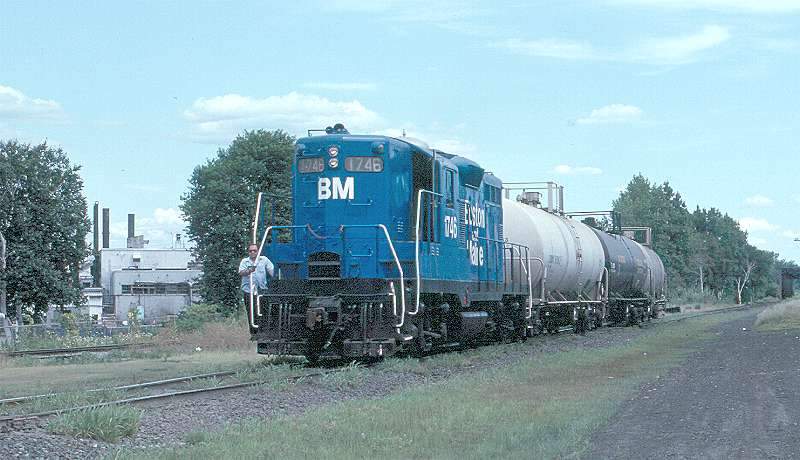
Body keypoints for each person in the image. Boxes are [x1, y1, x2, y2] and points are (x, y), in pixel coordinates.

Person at [239, 243, 274, 326]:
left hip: (262, 290)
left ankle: (263, 331)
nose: (252, 252)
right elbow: (241, 272)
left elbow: (272, 270)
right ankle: (254, 332)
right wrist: (249, 270)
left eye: (254, 250)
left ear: (258, 251)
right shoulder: (245, 261)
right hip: (248, 291)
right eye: (250, 251)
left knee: (264, 311)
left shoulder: (264, 260)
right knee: (251, 313)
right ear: (248, 252)